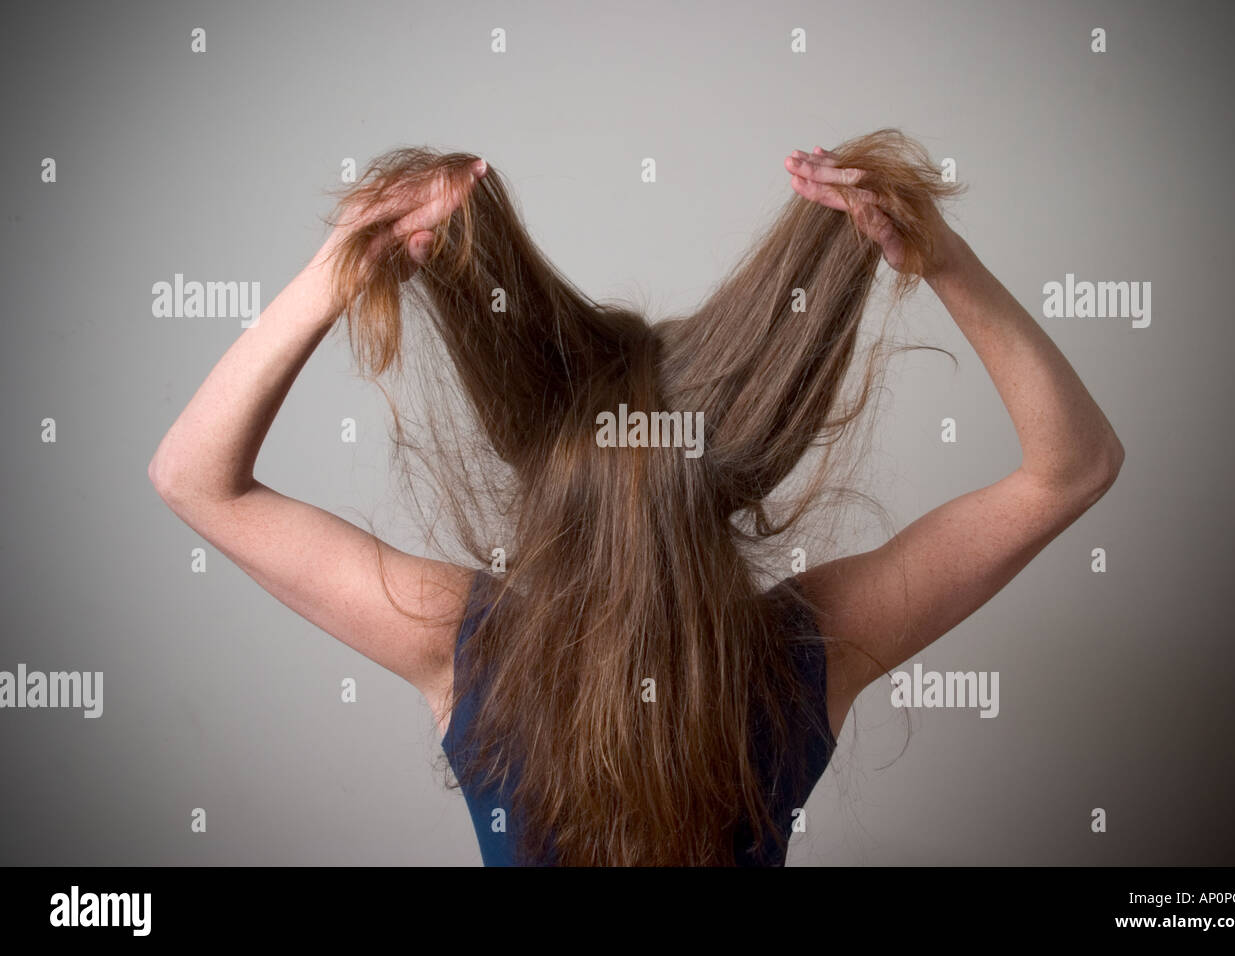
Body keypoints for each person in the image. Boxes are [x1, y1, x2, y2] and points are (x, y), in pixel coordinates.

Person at [149, 131, 1123, 866]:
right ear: (726, 470)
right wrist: (940, 259)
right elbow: (1071, 467)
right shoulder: (803, 652)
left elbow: (192, 478)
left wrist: (341, 270)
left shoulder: (463, 641)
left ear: (545, 471)